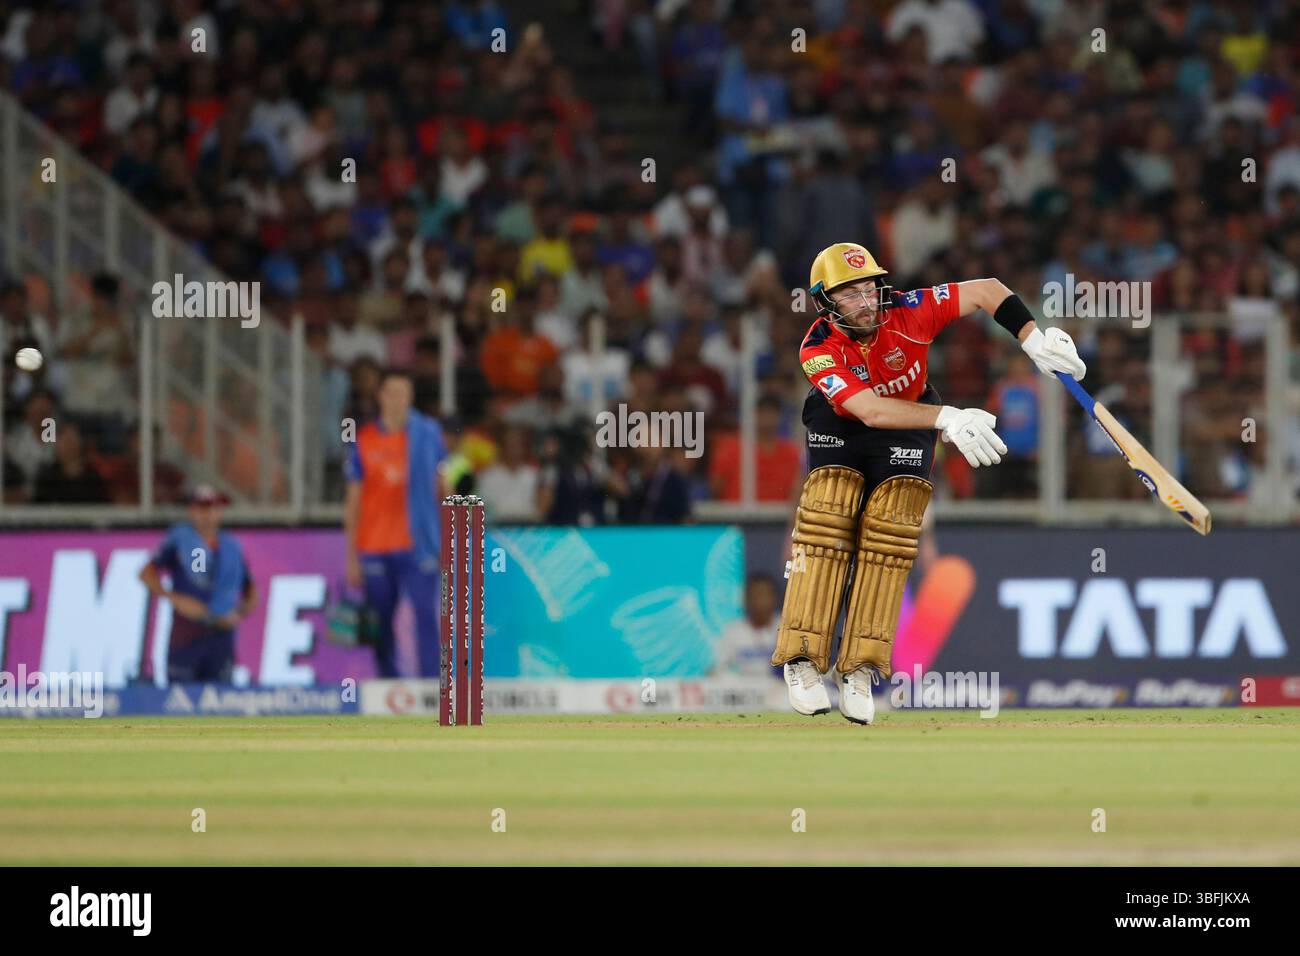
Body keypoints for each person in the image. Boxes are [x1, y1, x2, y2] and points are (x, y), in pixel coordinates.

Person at [772, 242, 1086, 725]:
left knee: (891, 535)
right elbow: (869, 411)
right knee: (828, 523)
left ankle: (858, 669)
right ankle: (802, 659)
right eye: (849, 294)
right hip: (844, 426)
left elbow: (986, 290)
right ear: (825, 303)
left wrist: (1032, 338)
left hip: (910, 419)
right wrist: (948, 417)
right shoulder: (817, 347)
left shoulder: (909, 309)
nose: (865, 302)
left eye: (869, 288)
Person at [343, 368, 447, 677]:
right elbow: (353, 502)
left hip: (419, 543)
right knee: (380, 620)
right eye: (392, 393)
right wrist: (351, 557)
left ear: (411, 397)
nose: (398, 400)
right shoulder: (364, 440)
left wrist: (445, 537)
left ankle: (433, 686)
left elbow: (444, 486)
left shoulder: (428, 436)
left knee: (427, 615)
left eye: (404, 393)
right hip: (374, 545)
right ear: (381, 396)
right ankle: (388, 686)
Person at [139, 485, 257, 683]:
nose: (208, 514)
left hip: (222, 636)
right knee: (180, 699)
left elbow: (250, 587)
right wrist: (173, 597)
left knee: (219, 699)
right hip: (187, 635)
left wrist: (239, 612)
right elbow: (147, 572)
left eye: (213, 507)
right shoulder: (182, 540)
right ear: (192, 510)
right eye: (203, 507)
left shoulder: (230, 545)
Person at [712, 574, 781, 677]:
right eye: (755, 595)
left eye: (765, 594)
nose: (760, 601)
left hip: (781, 690)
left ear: (774, 598)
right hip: (745, 690)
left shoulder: (786, 629)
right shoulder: (733, 631)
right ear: (745, 599)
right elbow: (718, 669)